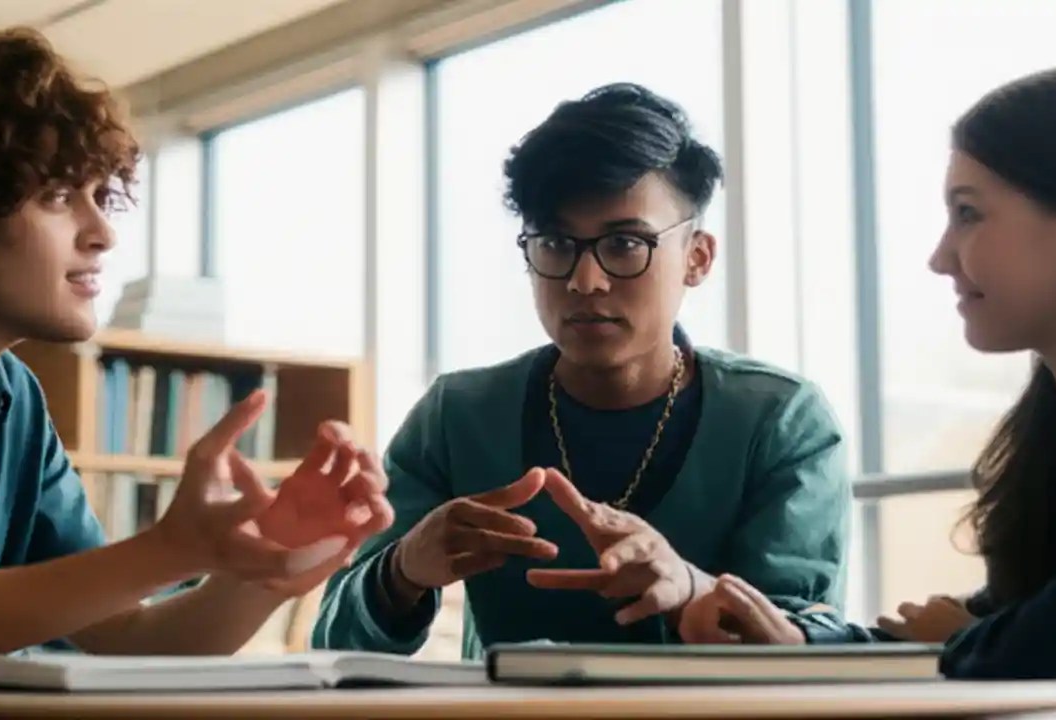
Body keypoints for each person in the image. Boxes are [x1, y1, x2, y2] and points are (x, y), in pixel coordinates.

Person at [0, 28, 393, 689]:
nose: (102, 233)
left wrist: (266, 564)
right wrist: (171, 549)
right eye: (58, 196)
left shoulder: (16, 402)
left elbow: (130, 640)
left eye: (101, 197)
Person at [313, 82, 852, 659]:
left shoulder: (779, 418)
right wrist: (401, 571)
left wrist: (691, 589)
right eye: (555, 243)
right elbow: (333, 643)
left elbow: (802, 648)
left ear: (696, 258)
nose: (584, 281)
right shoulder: (458, 416)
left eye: (625, 244)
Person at [678, 61, 1056, 690]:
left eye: (968, 213)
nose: (940, 258)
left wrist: (958, 640)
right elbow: (1004, 623)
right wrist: (799, 642)